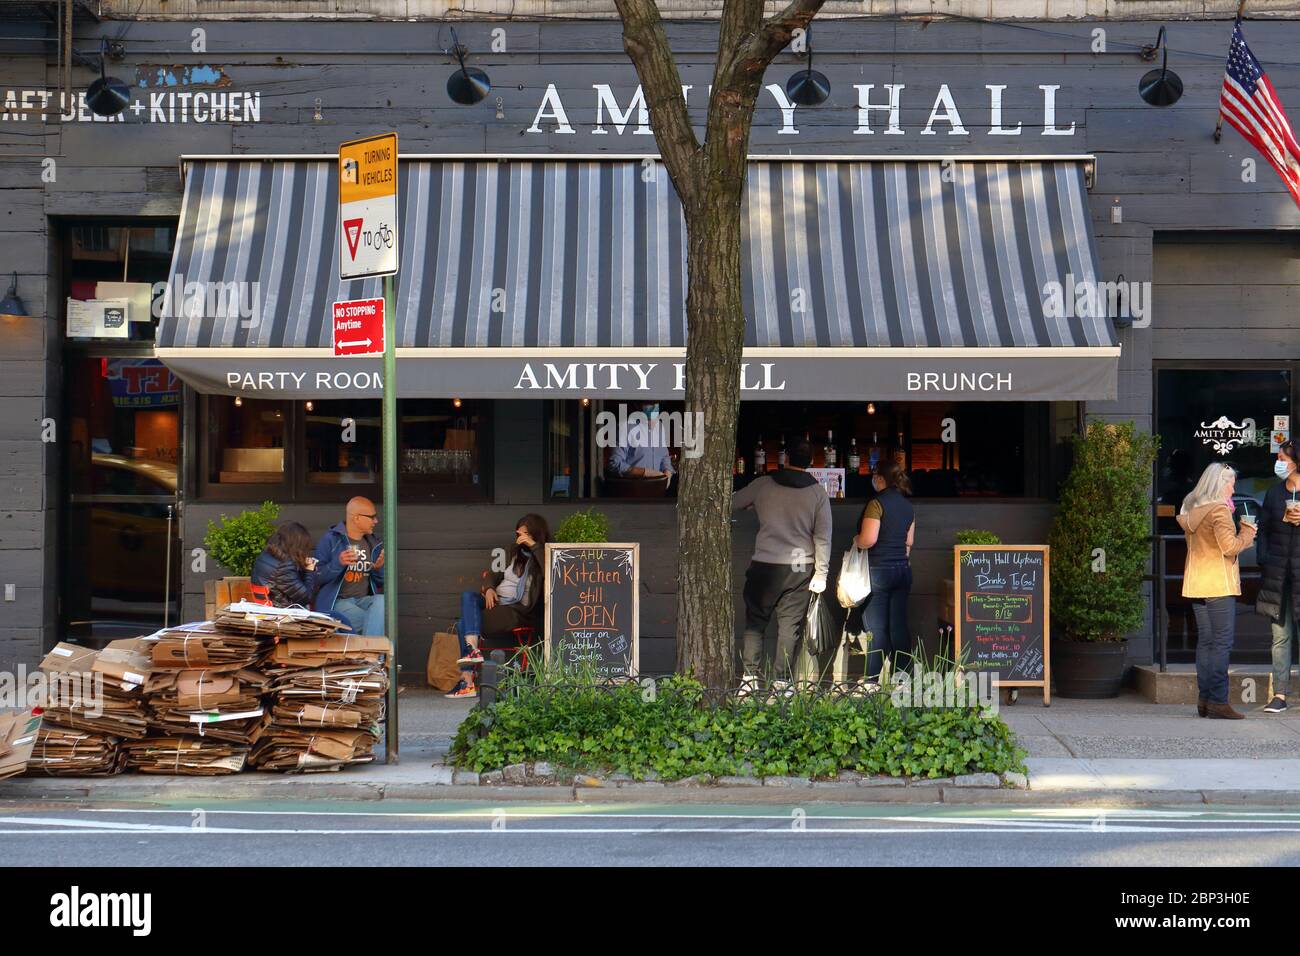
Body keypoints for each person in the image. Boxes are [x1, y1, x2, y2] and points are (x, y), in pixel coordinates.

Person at [732, 435, 832, 693]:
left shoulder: (763, 484)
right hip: (799, 566)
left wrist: (755, 505)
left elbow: (732, 502)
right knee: (790, 626)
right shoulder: (817, 492)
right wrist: (821, 574)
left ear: (785, 458)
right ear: (811, 462)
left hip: (765, 562)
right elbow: (823, 537)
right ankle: (781, 682)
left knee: (755, 622)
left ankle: (750, 680)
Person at [1177, 462, 1256, 719]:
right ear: (1221, 484)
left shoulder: (1191, 506)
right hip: (1218, 583)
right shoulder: (1220, 511)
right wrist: (1247, 533)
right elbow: (1229, 547)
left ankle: (1204, 700)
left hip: (1196, 582)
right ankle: (1219, 701)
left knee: (1206, 642)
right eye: (1231, 483)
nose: (1233, 489)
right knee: (1221, 643)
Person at [445, 514, 550, 699]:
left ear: (536, 534)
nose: (521, 538)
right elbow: (495, 573)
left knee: (464, 625)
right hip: (497, 601)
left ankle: (467, 678)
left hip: (517, 610)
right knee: (468, 596)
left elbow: (550, 570)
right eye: (519, 533)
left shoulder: (544, 555)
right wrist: (490, 589)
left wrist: (535, 547)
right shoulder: (515, 553)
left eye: (526, 534)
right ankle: (472, 653)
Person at [855, 460, 916, 687]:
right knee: (898, 626)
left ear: (881, 479)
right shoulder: (907, 506)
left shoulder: (876, 504)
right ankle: (903, 680)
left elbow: (869, 539)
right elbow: (909, 542)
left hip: (879, 572)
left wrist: (856, 540)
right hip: (902, 572)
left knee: (876, 629)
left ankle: (870, 682)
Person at [1257, 439, 1300, 713]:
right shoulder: (1274, 494)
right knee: (1280, 636)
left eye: (1283, 458)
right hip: (1278, 575)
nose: (1279, 463)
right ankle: (1280, 695)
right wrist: (1264, 561)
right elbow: (1263, 531)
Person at [312, 496, 386, 635]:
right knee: (378, 623)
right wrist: (337, 563)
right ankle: (376, 655)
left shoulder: (373, 543)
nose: (376, 521)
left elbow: (381, 582)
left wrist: (377, 569)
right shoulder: (331, 540)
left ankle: (369, 654)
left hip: (363, 600)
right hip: (338, 603)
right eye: (372, 517)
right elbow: (315, 577)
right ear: (357, 518)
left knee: (382, 601)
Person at [251, 521, 319, 608]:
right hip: (285, 613)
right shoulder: (284, 566)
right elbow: (306, 597)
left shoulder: (265, 555)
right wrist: (309, 570)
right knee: (335, 615)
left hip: (268, 609)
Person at [608, 402, 674, 481]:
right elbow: (615, 464)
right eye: (648, 402)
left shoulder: (660, 427)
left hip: (657, 489)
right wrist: (644, 472)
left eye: (655, 402)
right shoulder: (625, 427)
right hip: (634, 488)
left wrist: (667, 470)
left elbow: (664, 456)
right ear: (638, 405)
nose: (653, 407)